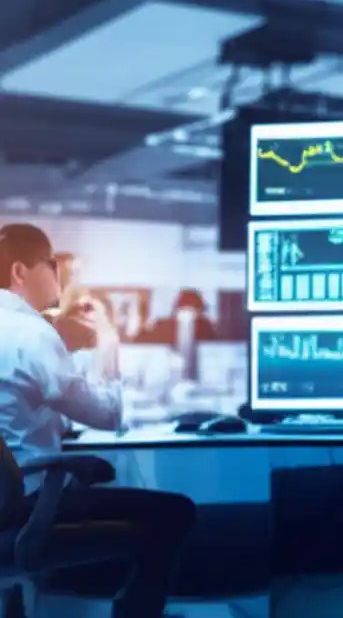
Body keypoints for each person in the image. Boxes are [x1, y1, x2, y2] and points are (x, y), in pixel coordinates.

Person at [0, 223, 195, 618]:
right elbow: (108, 415)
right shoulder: (28, 334)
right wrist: (108, 340)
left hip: (10, 499)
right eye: (51, 264)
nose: (59, 275)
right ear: (21, 272)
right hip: (29, 503)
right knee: (176, 512)